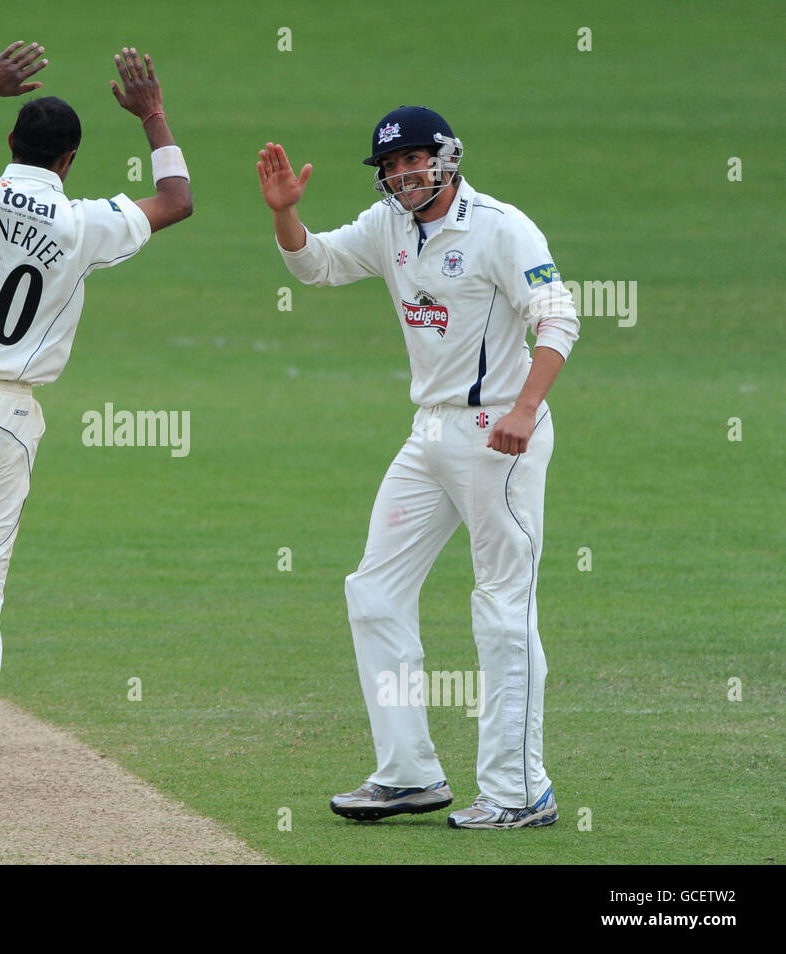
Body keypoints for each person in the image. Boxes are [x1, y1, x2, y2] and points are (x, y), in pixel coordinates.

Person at [0, 42, 192, 846]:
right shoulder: (85, 223)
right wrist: (153, 116)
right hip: (0, 411)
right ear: (72, 159)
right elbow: (177, 200)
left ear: (11, 142)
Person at [257, 106, 578, 829]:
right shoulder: (390, 227)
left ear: (448, 156)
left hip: (498, 433)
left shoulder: (499, 226)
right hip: (429, 435)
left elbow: (558, 315)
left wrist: (524, 411)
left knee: (501, 608)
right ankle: (408, 774)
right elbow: (317, 266)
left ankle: (520, 791)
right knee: (373, 591)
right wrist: (286, 216)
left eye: (414, 160)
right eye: (390, 167)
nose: (403, 175)